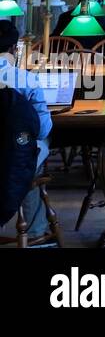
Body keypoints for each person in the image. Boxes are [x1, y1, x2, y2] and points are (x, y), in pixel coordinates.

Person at [0, 20, 53, 240]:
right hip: (13, 155)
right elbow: (41, 130)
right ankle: (34, 231)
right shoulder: (27, 80)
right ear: (14, 49)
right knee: (37, 146)